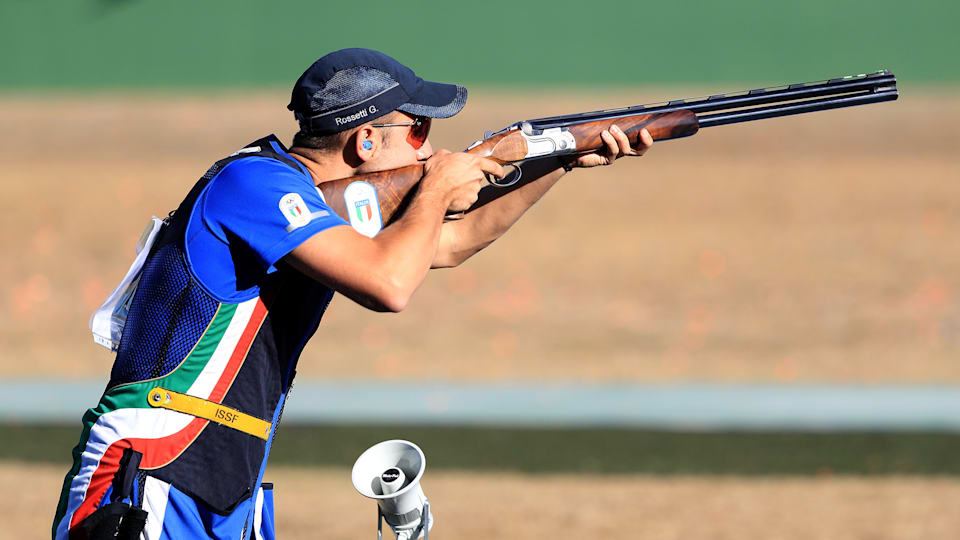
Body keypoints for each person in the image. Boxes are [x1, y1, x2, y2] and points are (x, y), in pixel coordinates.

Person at [52, 48, 653, 540]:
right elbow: (388, 283)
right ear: (365, 142)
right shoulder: (253, 182)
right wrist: (439, 187)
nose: (428, 146)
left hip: (227, 474)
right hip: (153, 463)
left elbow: (451, 243)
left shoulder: (315, 202)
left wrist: (561, 158)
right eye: (416, 130)